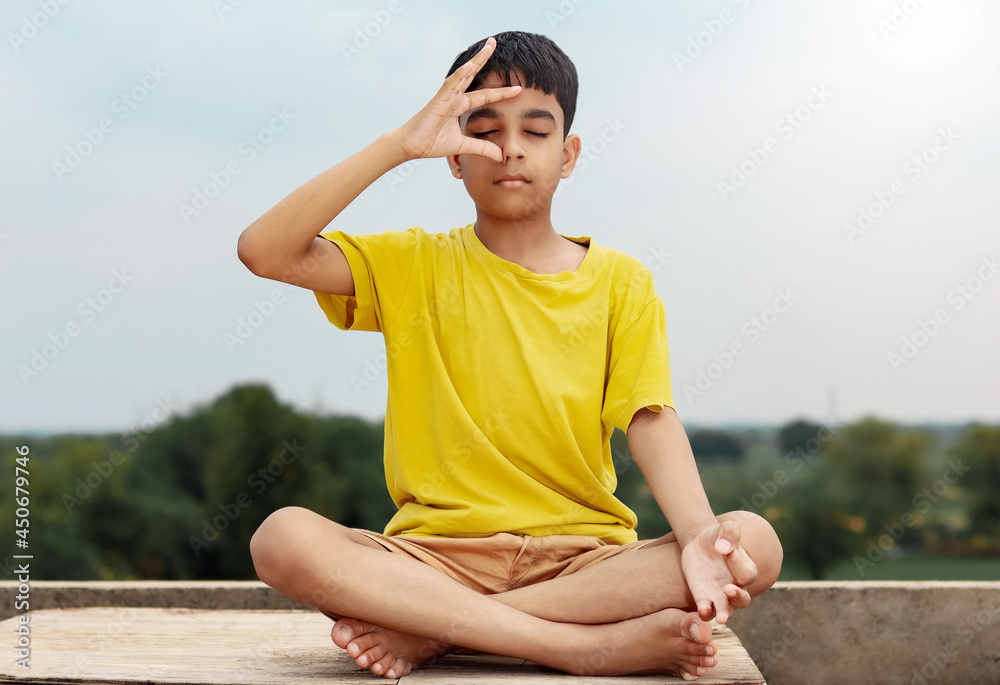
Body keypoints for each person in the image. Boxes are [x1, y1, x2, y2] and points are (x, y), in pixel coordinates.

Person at [238, 30, 782, 681]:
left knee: (752, 541)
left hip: (585, 563)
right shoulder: (414, 263)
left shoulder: (622, 281)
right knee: (281, 537)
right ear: (453, 156)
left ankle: (440, 635)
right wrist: (397, 145)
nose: (511, 148)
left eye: (537, 129)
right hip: (431, 560)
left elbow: (649, 417)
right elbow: (264, 251)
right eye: (485, 129)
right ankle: (577, 648)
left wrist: (698, 536)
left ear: (570, 152)